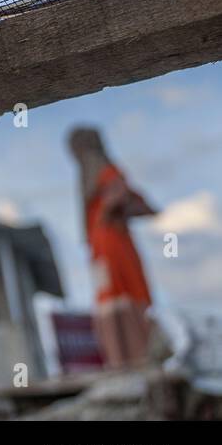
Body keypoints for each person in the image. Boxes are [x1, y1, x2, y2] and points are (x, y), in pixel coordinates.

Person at [67, 127, 157, 368]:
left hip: (111, 244)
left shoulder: (102, 170)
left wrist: (109, 211)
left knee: (120, 296)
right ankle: (129, 358)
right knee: (114, 297)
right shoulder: (96, 173)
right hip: (104, 248)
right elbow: (129, 197)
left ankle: (133, 358)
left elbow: (122, 194)